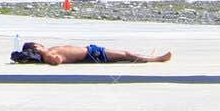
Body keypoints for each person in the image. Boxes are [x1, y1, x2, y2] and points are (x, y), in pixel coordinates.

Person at [11, 40, 171, 65]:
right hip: (92, 54)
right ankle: (155, 59)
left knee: (125, 53)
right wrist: (42, 52)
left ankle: (149, 57)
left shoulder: (50, 51)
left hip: (91, 50)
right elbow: (57, 61)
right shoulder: (48, 54)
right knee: (126, 54)